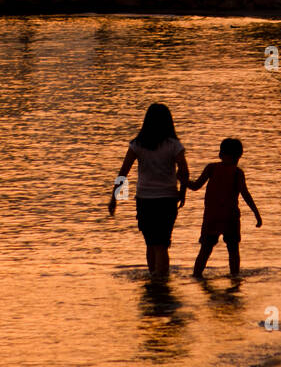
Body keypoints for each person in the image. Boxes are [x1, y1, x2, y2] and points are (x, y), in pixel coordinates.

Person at [108, 102, 189, 279]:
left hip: (145, 199)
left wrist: (114, 197)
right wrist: (182, 191)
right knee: (162, 244)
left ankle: (154, 279)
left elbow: (123, 172)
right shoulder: (174, 145)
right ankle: (161, 281)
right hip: (167, 199)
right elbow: (184, 170)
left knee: (151, 243)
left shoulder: (138, 145)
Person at [188, 138, 261, 279]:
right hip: (230, 218)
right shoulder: (237, 172)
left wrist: (182, 180)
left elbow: (195, 186)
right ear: (239, 156)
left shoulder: (212, 168)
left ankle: (196, 276)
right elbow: (245, 194)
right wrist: (256, 214)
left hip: (212, 217)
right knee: (233, 250)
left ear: (220, 154)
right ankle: (235, 278)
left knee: (205, 249)